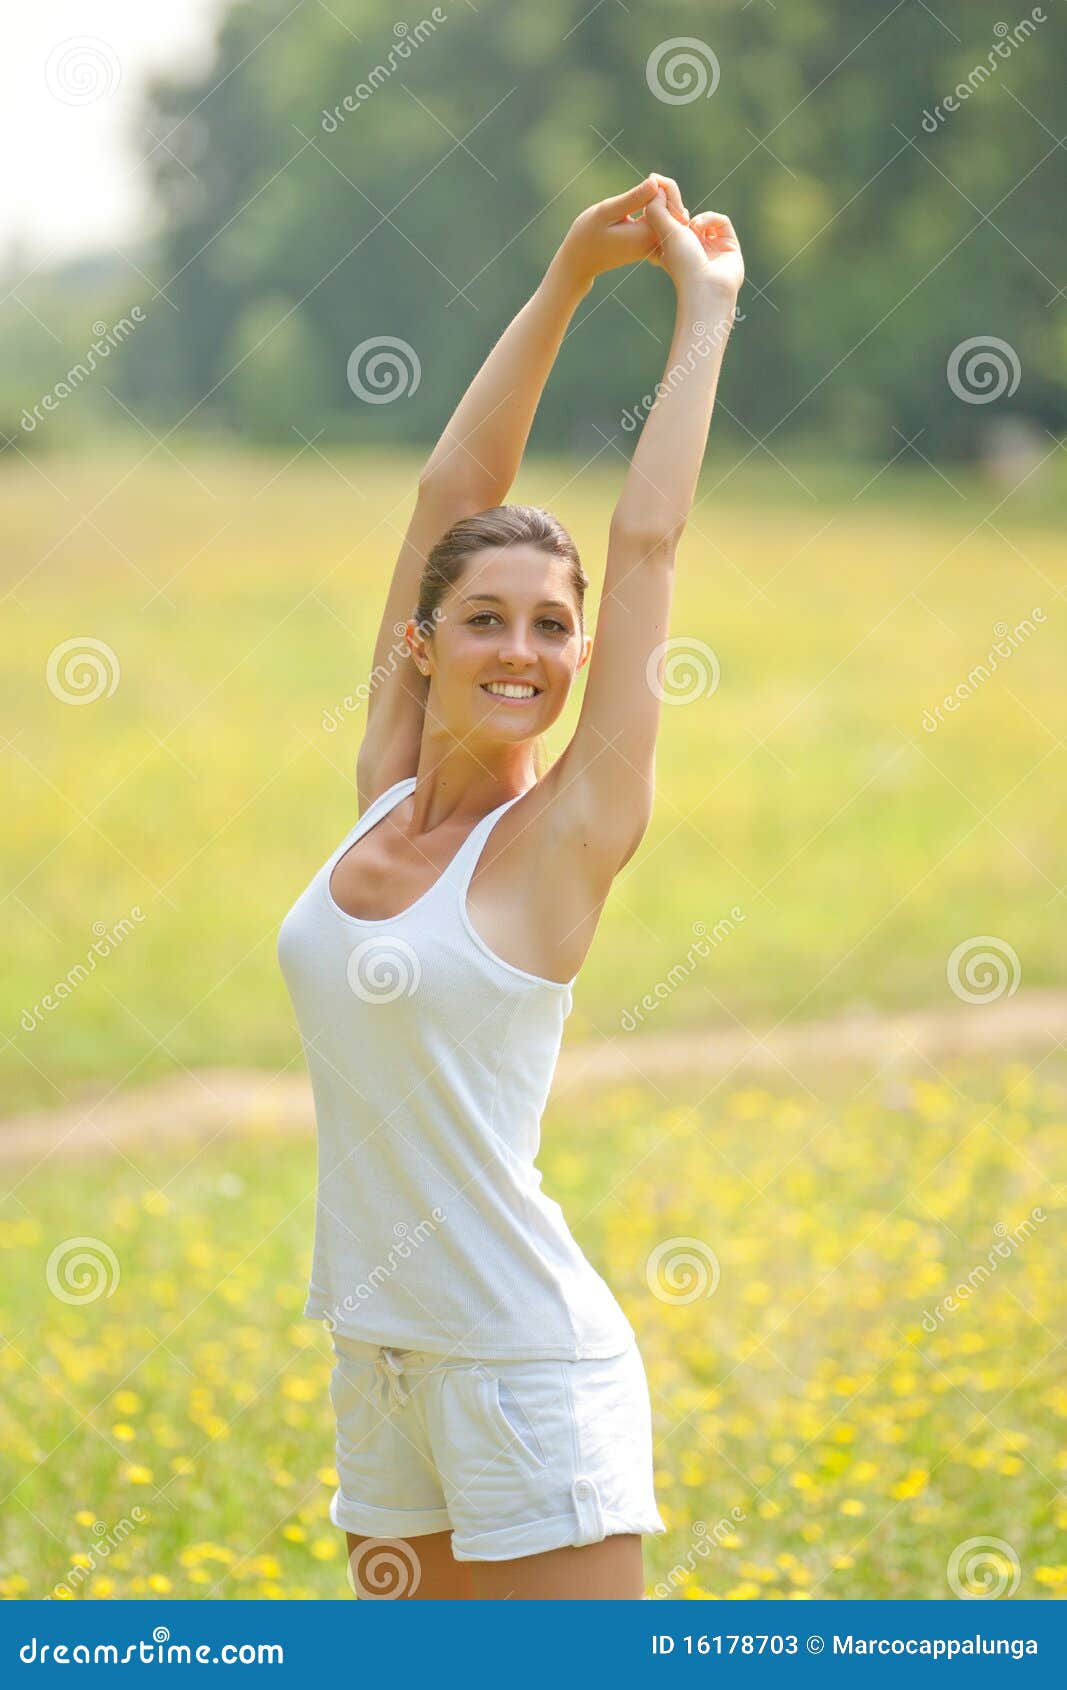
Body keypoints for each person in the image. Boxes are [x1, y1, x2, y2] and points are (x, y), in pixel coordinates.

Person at [277, 173, 744, 1600]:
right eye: (484, 618)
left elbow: (649, 542)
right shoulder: (382, 792)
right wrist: (561, 283)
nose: (524, 650)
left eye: (553, 626)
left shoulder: (563, 841)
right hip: (385, 1359)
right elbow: (449, 496)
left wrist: (702, 314)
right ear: (422, 643)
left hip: (526, 1376)